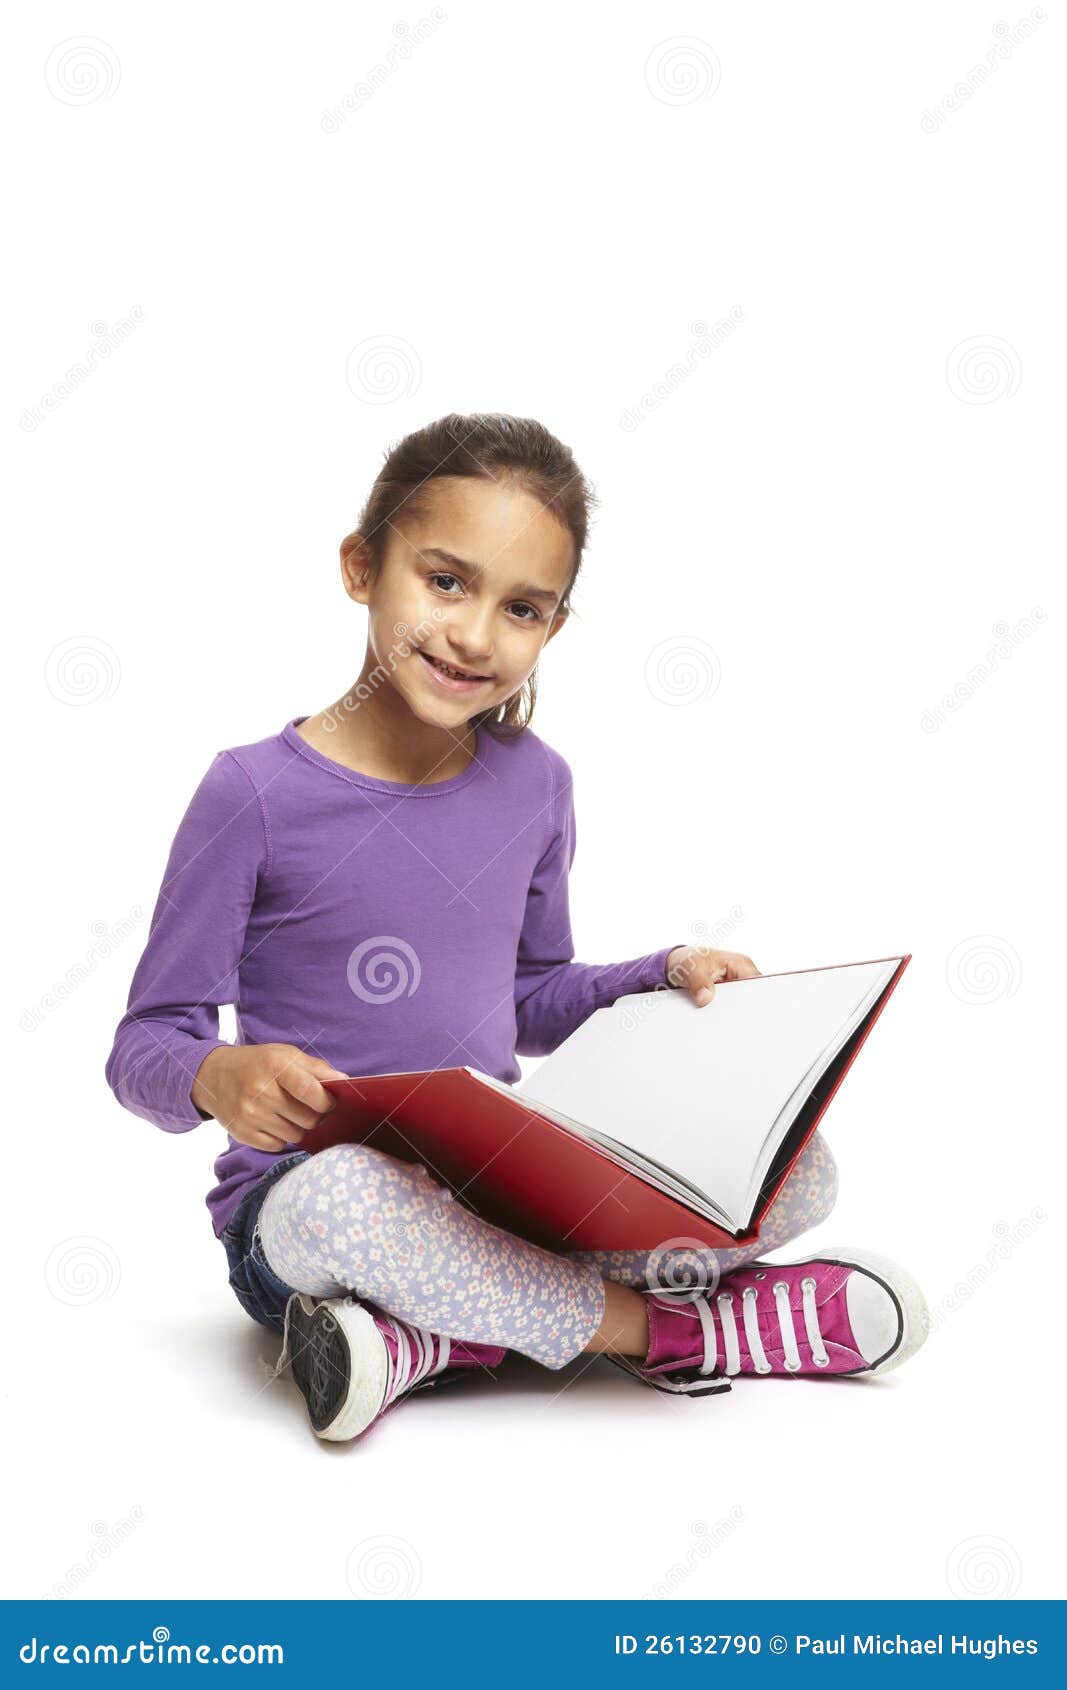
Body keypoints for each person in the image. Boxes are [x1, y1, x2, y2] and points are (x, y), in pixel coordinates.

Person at [104, 412, 929, 1445]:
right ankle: (680, 1331)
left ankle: (426, 1341)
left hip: (494, 1203)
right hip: (302, 1209)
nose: (474, 634)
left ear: (554, 627)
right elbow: (144, 1043)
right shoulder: (252, 795)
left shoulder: (535, 785)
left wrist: (661, 972)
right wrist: (214, 1076)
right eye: (444, 581)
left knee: (800, 1168)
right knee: (347, 1199)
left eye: (521, 607)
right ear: (363, 567)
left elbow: (531, 997)